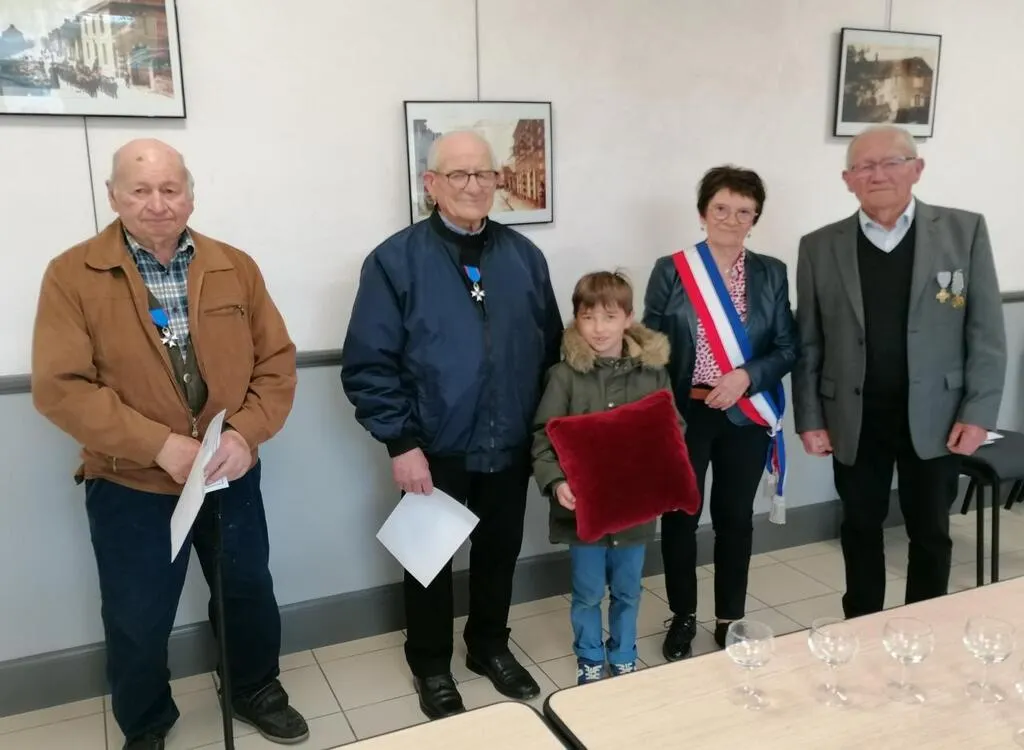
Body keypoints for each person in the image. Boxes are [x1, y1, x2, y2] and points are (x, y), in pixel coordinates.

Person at [30, 139, 309, 750]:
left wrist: (245, 434)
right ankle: (147, 720)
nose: (157, 203)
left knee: (247, 590)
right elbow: (61, 388)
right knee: (137, 613)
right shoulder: (71, 275)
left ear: (190, 195)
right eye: (140, 190)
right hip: (131, 482)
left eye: (169, 189)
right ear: (113, 196)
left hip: (230, 471)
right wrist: (158, 445)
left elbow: (277, 363)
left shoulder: (235, 266)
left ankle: (254, 687)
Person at [340, 130, 563, 719]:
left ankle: (488, 645)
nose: (472, 185)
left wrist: (543, 434)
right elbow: (369, 363)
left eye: (483, 174)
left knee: (499, 553)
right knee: (429, 560)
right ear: (431, 184)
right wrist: (401, 443)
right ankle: (431, 664)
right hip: (432, 446)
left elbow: (550, 353)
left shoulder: (525, 258)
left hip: (509, 441)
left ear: (497, 181)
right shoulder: (394, 261)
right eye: (458, 174)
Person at [792, 124, 1006, 618]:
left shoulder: (964, 231)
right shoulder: (819, 246)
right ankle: (861, 626)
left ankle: (924, 628)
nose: (878, 174)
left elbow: (987, 333)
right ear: (848, 179)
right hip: (853, 416)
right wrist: (810, 418)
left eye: (891, 162)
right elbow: (809, 342)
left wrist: (978, 413)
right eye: (864, 166)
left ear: (917, 169)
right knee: (859, 528)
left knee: (930, 530)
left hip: (938, 415)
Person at [643, 166, 798, 661]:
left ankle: (730, 616)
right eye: (721, 209)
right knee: (680, 518)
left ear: (755, 218)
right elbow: (651, 348)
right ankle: (683, 615)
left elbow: (787, 348)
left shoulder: (772, 272)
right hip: (685, 414)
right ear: (703, 212)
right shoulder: (672, 270)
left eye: (744, 211)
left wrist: (745, 377)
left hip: (744, 413)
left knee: (735, 518)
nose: (732, 219)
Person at [532, 271, 680, 685]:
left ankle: (624, 653)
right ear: (576, 319)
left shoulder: (652, 374)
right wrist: (556, 481)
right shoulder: (563, 377)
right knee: (587, 591)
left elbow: (671, 431)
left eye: (610, 317)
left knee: (629, 589)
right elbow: (544, 437)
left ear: (628, 319)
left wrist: (660, 476)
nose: (599, 328)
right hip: (584, 512)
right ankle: (590, 657)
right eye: (588, 317)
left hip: (634, 511)